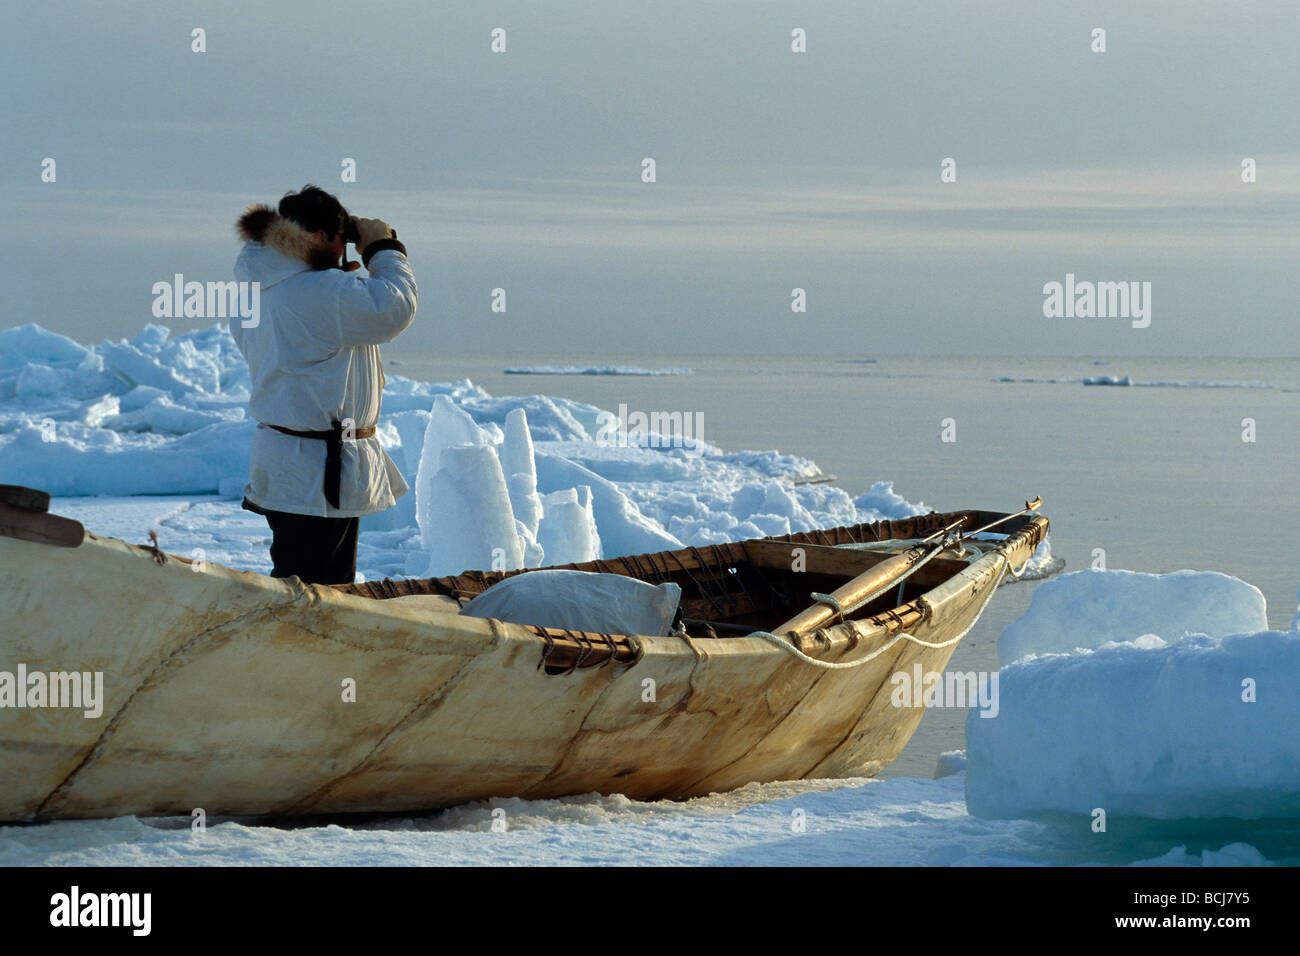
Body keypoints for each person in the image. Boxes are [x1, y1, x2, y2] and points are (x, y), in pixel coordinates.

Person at [230, 185, 417, 584]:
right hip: (317, 474)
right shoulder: (319, 292)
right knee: (320, 596)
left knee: (297, 584)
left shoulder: (261, 286)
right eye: (340, 239)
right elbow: (394, 308)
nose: (342, 249)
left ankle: (286, 643)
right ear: (319, 237)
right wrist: (383, 249)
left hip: (291, 466)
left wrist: (340, 274)